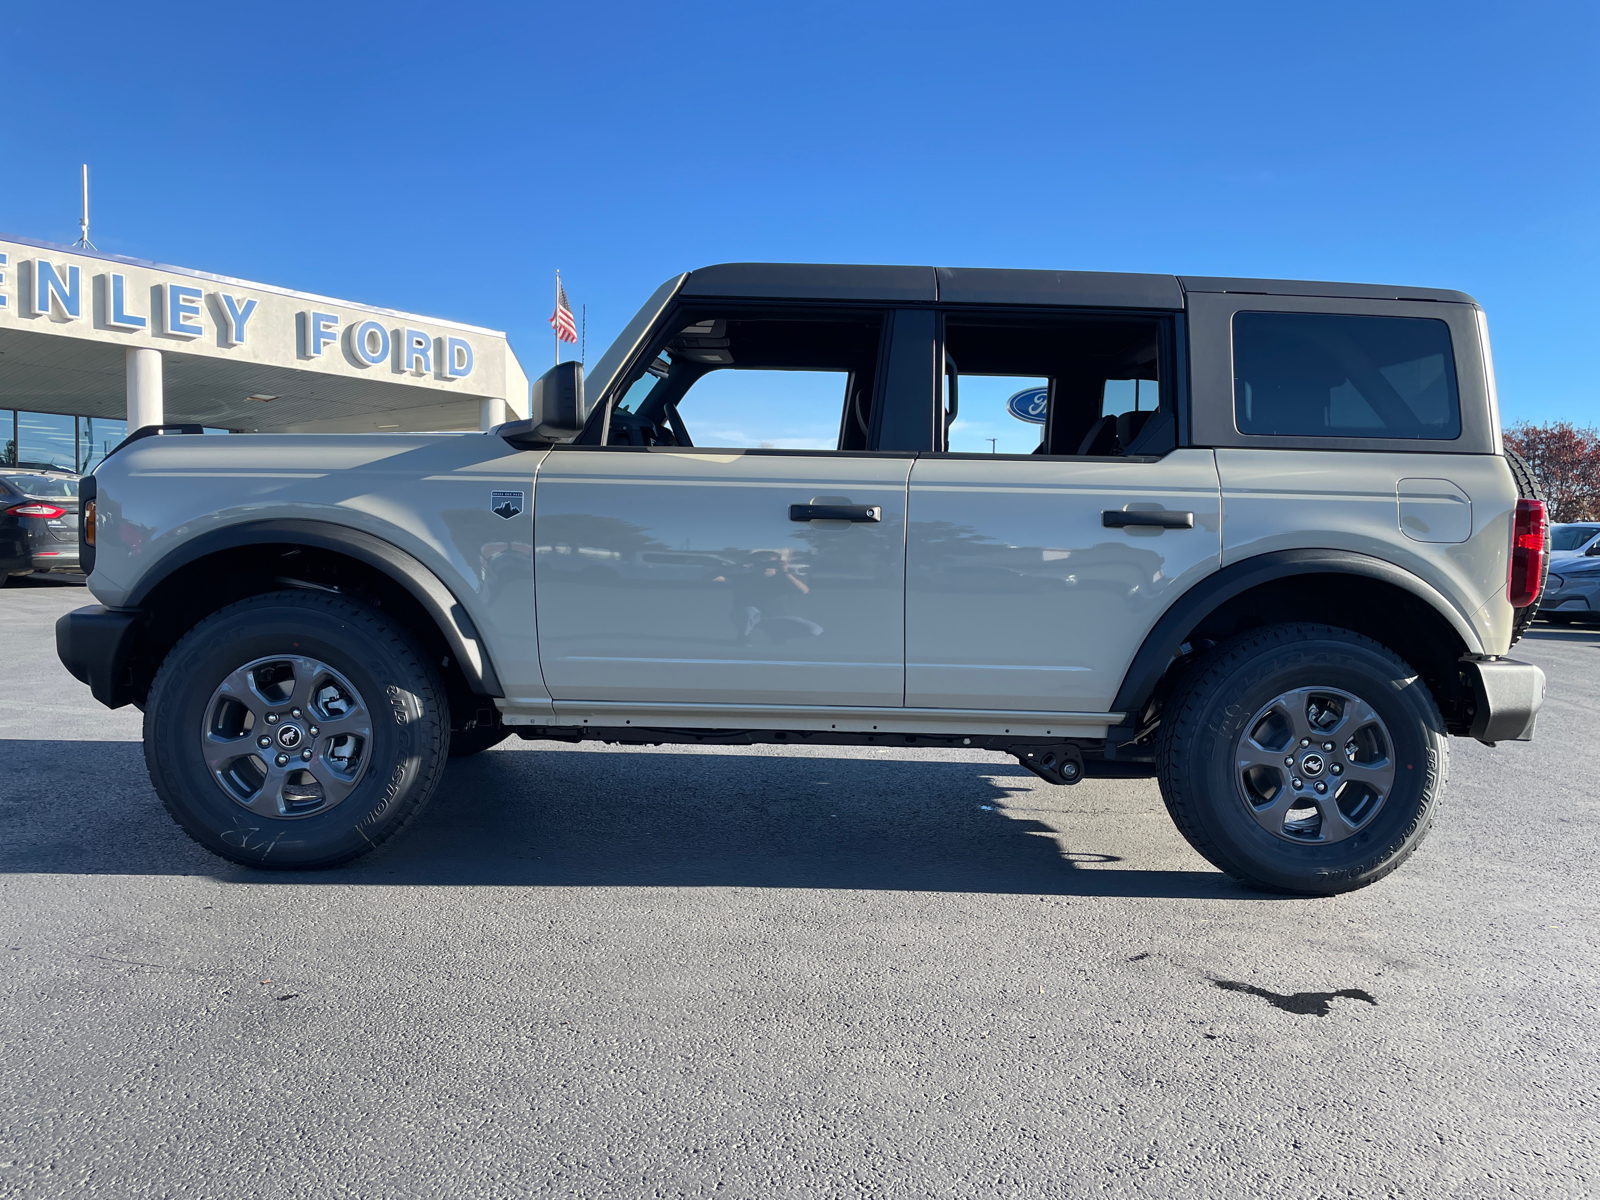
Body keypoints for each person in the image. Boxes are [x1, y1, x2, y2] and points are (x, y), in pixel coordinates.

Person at [713, 550, 822, 644]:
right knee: (750, 611)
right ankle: (744, 637)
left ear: (779, 563)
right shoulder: (742, 578)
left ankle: (777, 633)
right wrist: (737, 566)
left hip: (777, 619)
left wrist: (785, 571)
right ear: (753, 563)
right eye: (761, 562)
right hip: (748, 617)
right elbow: (711, 579)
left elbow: (803, 591)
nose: (766, 566)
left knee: (815, 630)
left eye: (772, 563)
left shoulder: (787, 578)